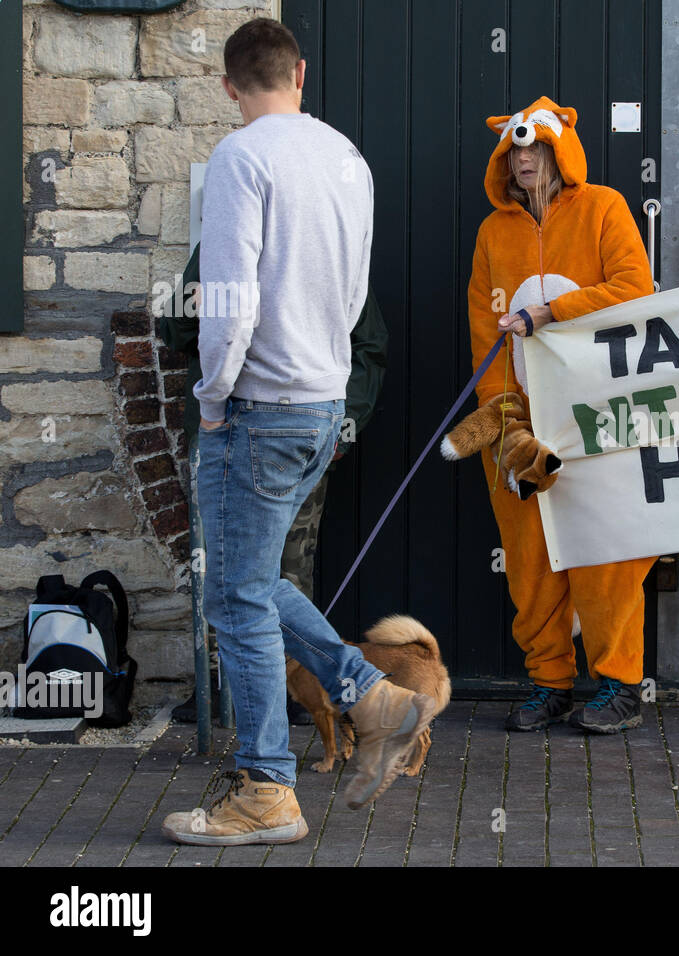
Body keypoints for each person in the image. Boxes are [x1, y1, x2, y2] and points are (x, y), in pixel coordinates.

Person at [161, 18, 438, 846]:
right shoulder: (345, 157)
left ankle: (268, 792)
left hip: (257, 408)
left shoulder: (242, 158)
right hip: (321, 406)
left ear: (228, 85)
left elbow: (228, 297)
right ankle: (376, 696)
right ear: (301, 73)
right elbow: (353, 294)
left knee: (235, 599)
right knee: (255, 582)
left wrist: (213, 395)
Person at [466, 96, 657, 733]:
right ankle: (549, 681)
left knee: (607, 554)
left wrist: (553, 313)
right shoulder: (494, 233)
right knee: (531, 558)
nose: (523, 160)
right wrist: (502, 423)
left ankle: (620, 685)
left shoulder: (604, 207)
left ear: (558, 152)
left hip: (601, 416)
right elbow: (483, 337)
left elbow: (637, 291)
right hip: (526, 423)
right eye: (513, 151)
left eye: (534, 148)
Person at [160, 243, 388, 726]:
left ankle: (291, 686)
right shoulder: (217, 246)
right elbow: (174, 331)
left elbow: (368, 345)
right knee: (218, 566)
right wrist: (193, 306)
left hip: (294, 433)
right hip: (221, 435)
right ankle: (222, 684)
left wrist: (345, 426)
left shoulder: (323, 241)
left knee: (287, 568)